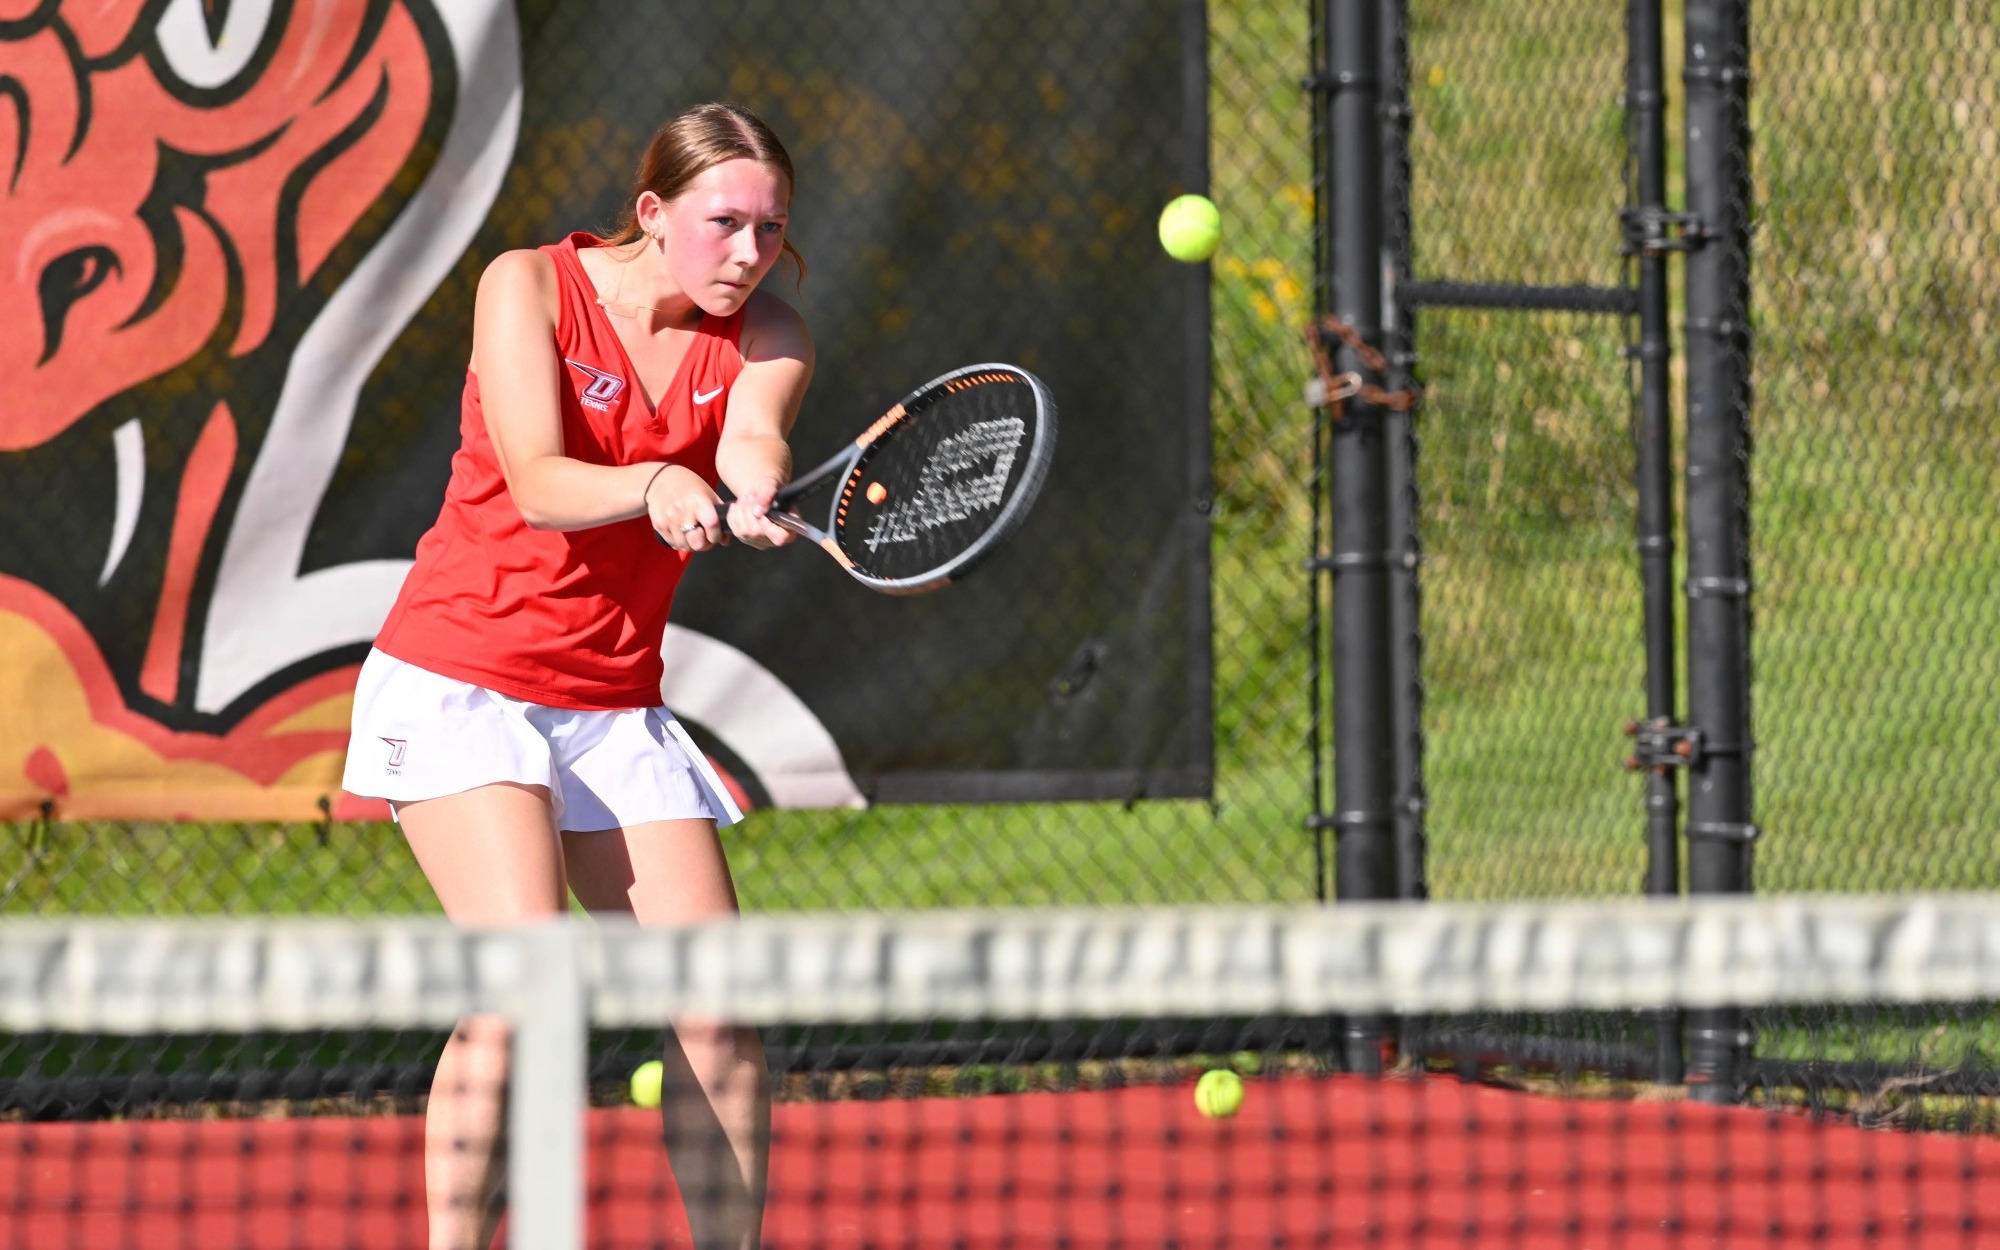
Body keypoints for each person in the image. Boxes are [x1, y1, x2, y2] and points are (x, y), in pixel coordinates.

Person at [340, 101, 811, 1250]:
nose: (747, 254)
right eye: (723, 224)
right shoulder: (529, 286)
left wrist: (751, 489)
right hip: (460, 679)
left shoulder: (769, 333)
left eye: (770, 230)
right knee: (527, 991)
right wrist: (654, 482)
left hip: (611, 705)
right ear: (652, 213)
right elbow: (541, 478)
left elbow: (753, 439)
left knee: (719, 1012)